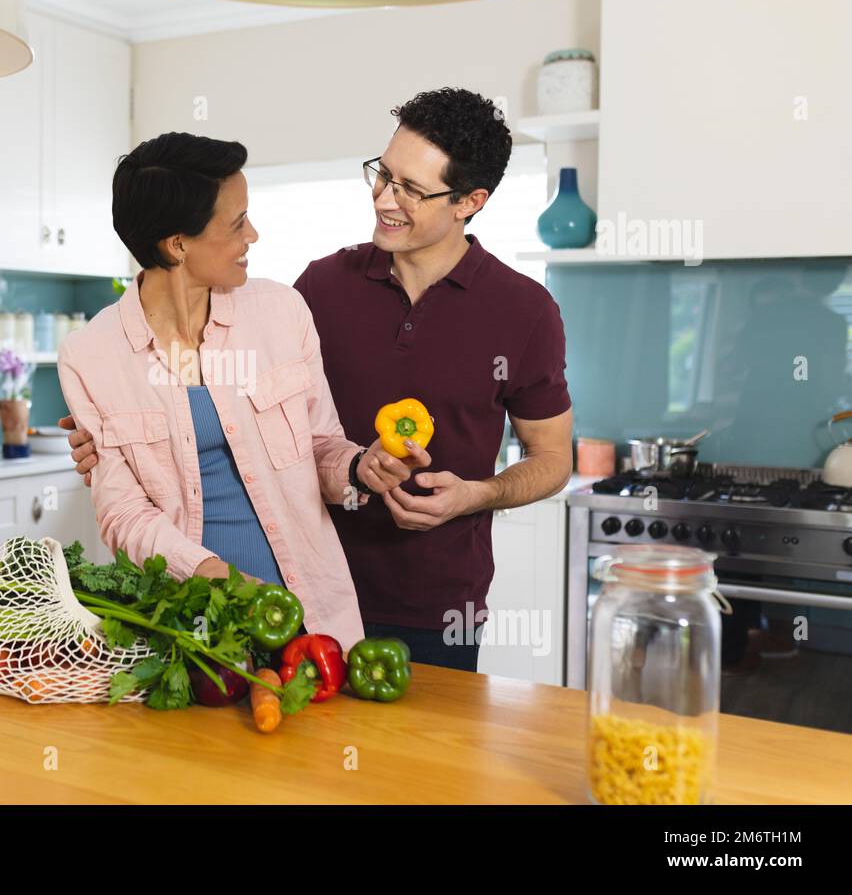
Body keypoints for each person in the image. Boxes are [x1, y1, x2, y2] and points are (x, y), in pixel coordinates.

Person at [62, 89, 574, 671]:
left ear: (470, 201)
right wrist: (107, 445)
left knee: (420, 760)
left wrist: (478, 495)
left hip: (429, 599)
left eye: (411, 189)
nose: (385, 198)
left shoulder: (524, 310)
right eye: (383, 175)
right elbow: (258, 432)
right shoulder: (319, 289)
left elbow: (552, 456)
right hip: (303, 584)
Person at [57, 131, 422, 649]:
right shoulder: (90, 355)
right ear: (177, 244)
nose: (253, 235)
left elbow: (320, 445)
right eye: (236, 224)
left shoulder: (280, 312)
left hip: (306, 616)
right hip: (186, 633)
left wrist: (362, 467)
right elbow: (123, 513)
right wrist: (218, 579)